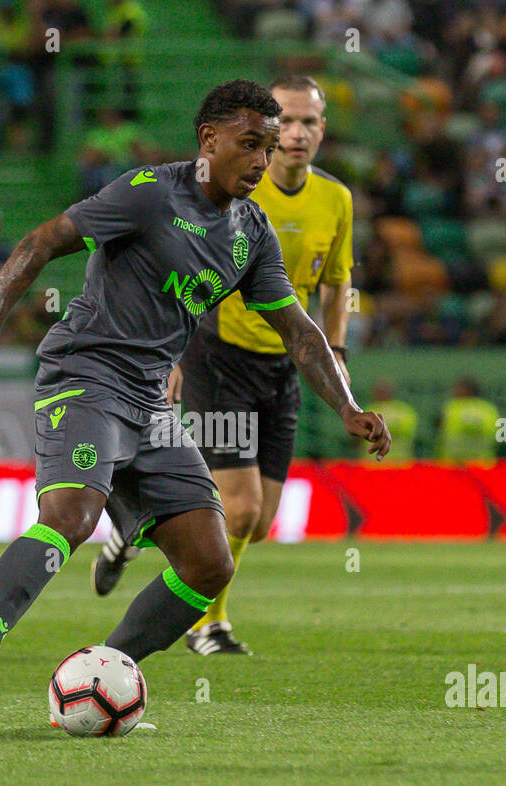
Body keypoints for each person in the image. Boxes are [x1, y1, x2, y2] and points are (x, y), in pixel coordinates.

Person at [0, 79, 390, 715]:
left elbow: (299, 331)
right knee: (71, 516)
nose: (261, 160)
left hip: (151, 403)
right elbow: (40, 242)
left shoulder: (251, 233)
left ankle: (101, 669)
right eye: (250, 144)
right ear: (209, 140)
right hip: (86, 376)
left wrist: (346, 404)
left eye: (269, 146)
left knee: (210, 562)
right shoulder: (148, 194)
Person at [90, 75, 354, 655]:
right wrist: (174, 354)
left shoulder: (336, 199)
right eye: (287, 120)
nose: (297, 133)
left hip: (281, 368)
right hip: (219, 357)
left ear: (322, 129)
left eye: (310, 121)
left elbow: (337, 282)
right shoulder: (238, 188)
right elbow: (181, 271)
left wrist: (334, 351)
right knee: (239, 508)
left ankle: (135, 530)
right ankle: (207, 624)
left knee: (259, 524)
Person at [437, 378, 499, 464]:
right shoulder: (489, 409)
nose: (455, 391)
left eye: (459, 388)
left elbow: (440, 431)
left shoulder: (452, 407)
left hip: (453, 466)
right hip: (483, 465)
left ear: (469, 390)